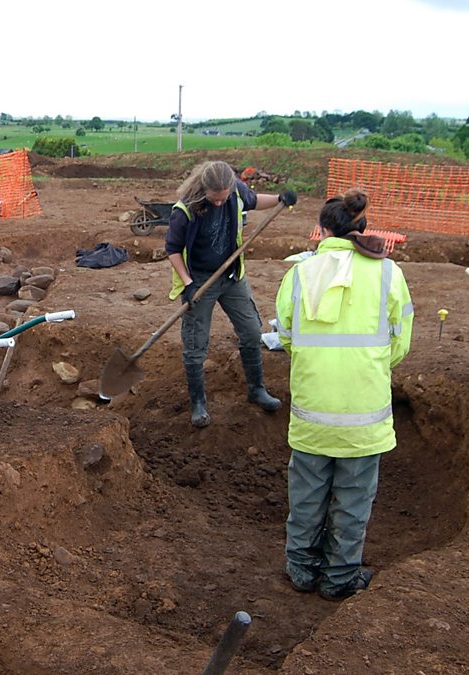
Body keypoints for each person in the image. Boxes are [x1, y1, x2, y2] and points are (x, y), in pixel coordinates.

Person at [274, 189, 413, 601]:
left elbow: (285, 336)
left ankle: (300, 568)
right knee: (352, 502)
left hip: (312, 411)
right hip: (364, 416)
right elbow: (400, 343)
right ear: (362, 227)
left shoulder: (298, 273)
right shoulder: (388, 273)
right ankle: (339, 578)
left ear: (323, 229)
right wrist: (369, 368)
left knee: (306, 496)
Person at [164, 160, 297, 427]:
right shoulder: (186, 209)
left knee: (250, 330)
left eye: (223, 199)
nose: (218, 203)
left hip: (233, 276)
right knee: (195, 344)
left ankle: (256, 388)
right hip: (200, 280)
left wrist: (280, 198)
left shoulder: (235, 191)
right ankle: (198, 402)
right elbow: (173, 249)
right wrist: (188, 283)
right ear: (205, 190)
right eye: (215, 199)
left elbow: (254, 200)